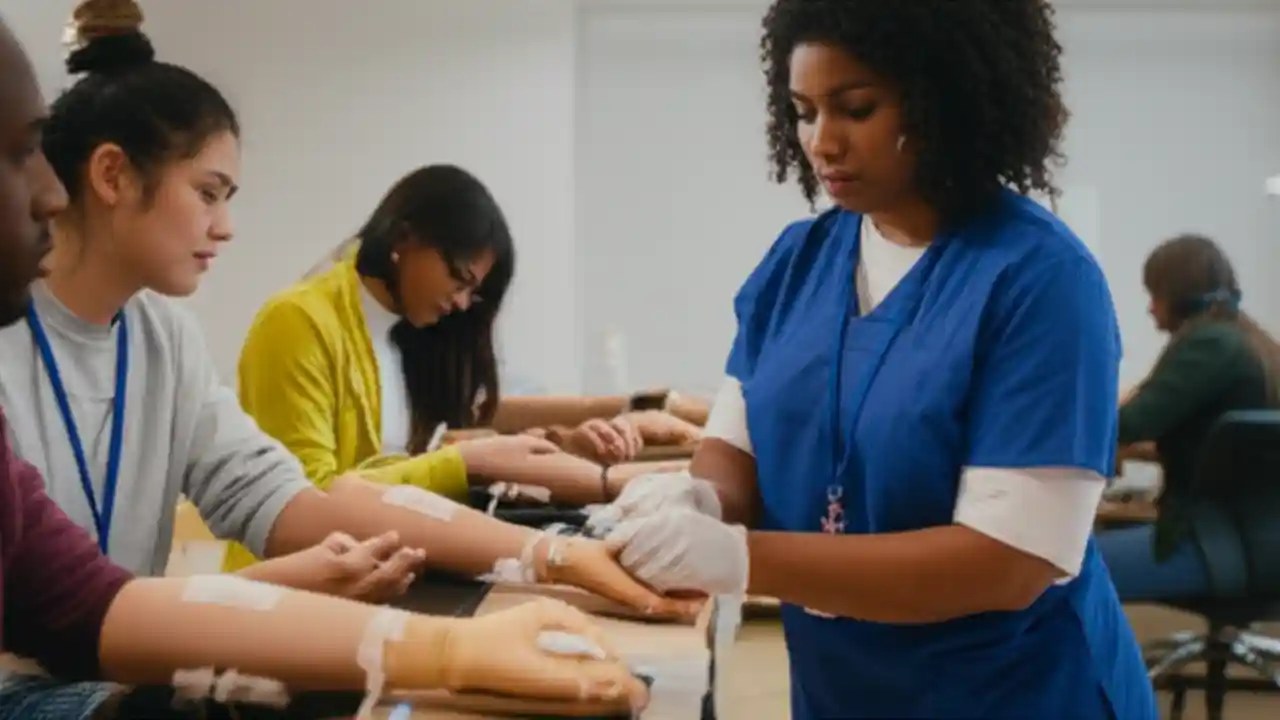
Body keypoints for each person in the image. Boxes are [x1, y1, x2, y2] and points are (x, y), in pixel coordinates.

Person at [0, 13, 647, 719]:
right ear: (113, 176)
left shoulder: (164, 339)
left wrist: (549, 557)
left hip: (107, 652)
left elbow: (292, 498)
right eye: (209, 193)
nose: (226, 227)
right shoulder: (294, 318)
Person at [592, 2, 1157, 718]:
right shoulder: (796, 265)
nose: (822, 142)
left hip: (1013, 692)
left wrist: (741, 557)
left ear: (942, 101)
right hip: (847, 689)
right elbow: (736, 449)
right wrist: (697, 501)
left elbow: (1007, 562)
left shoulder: (1041, 281)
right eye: (802, 112)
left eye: (856, 108)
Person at [229, 166, 701, 570]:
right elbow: (308, 502)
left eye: (471, 292)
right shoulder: (298, 322)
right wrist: (465, 464)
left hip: (381, 569)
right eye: (458, 280)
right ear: (403, 237)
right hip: (299, 587)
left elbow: (462, 420)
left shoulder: (405, 332)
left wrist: (597, 424)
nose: (459, 303)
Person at [1097, 234, 1280, 601]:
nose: (1150, 308)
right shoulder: (1247, 342)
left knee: (1060, 572)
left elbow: (1130, 423)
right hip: (1250, 539)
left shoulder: (1210, 344)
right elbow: (1210, 444)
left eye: (1154, 294)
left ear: (1176, 294)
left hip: (1216, 544)